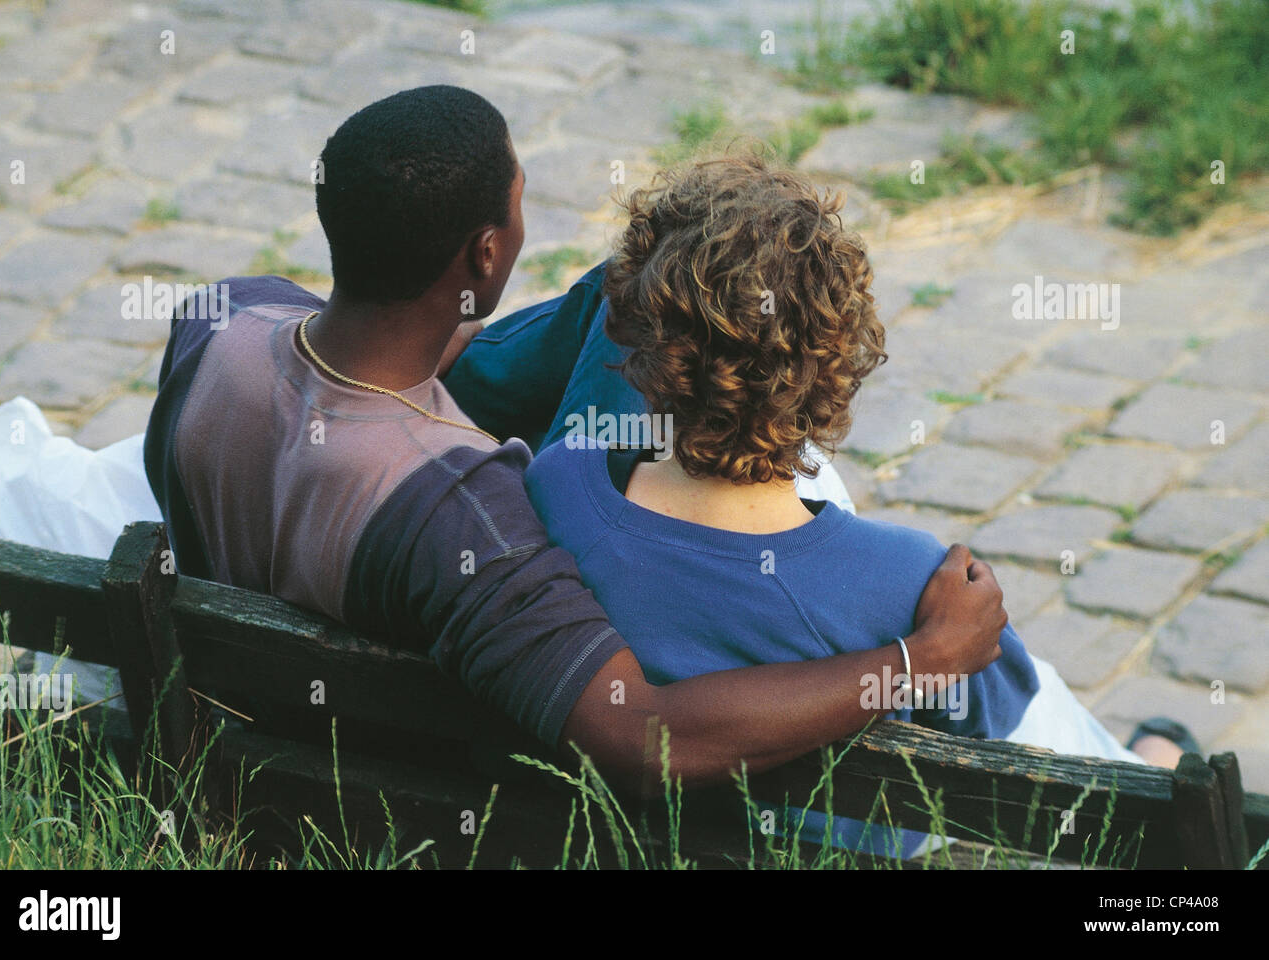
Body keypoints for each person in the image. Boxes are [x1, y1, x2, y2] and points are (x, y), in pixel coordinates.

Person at [143, 85, 1011, 798]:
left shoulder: (217, 325)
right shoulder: (463, 516)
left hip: (244, 728)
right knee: (613, 296)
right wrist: (918, 657)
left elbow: (358, 336)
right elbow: (644, 738)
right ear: (488, 254)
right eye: (520, 206)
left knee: (611, 294)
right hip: (379, 797)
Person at [519, 154, 1186, 848]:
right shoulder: (909, 584)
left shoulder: (559, 485)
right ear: (837, 364)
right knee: (1043, 707)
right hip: (852, 841)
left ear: (641, 345)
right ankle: (1154, 769)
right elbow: (1030, 753)